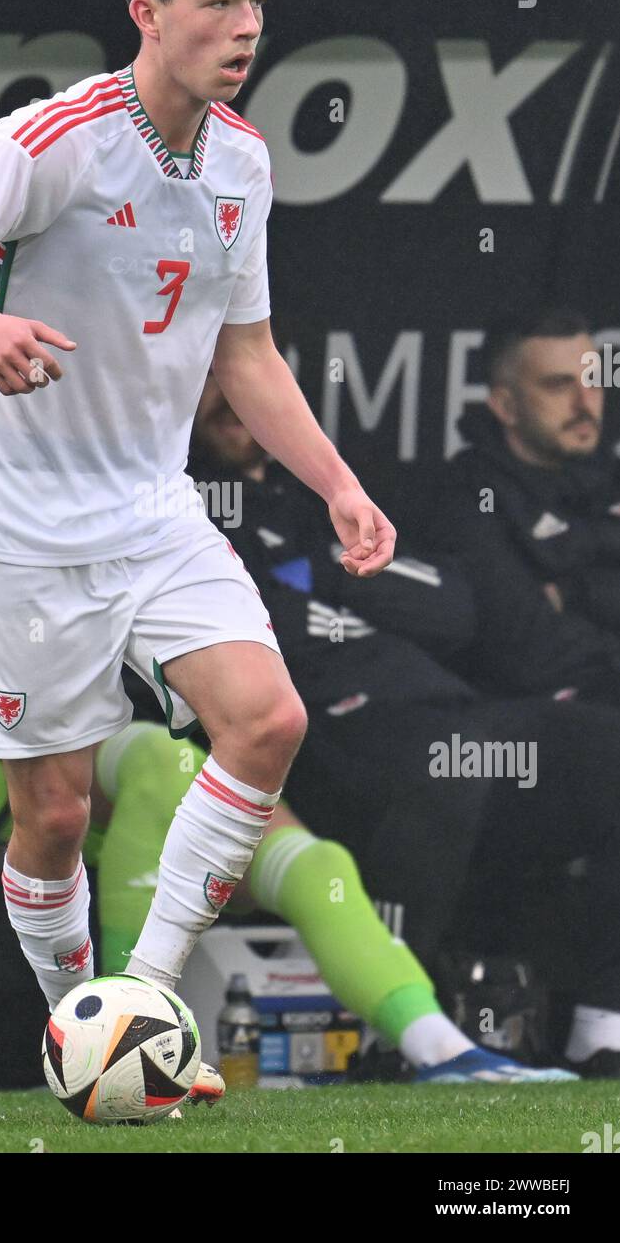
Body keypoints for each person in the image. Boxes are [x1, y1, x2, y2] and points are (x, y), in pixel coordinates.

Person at [0, 0, 396, 1094]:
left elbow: (244, 355)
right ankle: (82, 1033)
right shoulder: (55, 137)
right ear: (147, 13)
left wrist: (339, 485)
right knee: (49, 817)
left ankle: (142, 1005)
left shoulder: (243, 161)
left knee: (269, 720)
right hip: (19, 527)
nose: (243, 22)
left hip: (155, 513)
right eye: (215, 0)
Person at [179, 371, 620, 1078]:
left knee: (601, 746)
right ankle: (399, 1033)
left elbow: (453, 609)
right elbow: (258, 625)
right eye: (208, 386)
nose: (230, 403)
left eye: (241, 384)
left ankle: (602, 1031)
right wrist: (339, 590)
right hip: (317, 733)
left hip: (440, 708)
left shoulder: (323, 496)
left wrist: (323, 570)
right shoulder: (173, 502)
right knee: (449, 759)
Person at [432, 307, 620, 706]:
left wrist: (572, 591)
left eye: (593, 381)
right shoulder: (467, 496)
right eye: (558, 385)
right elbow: (524, 650)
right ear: (506, 406)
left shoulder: (612, 476)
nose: (584, 403)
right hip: (546, 722)